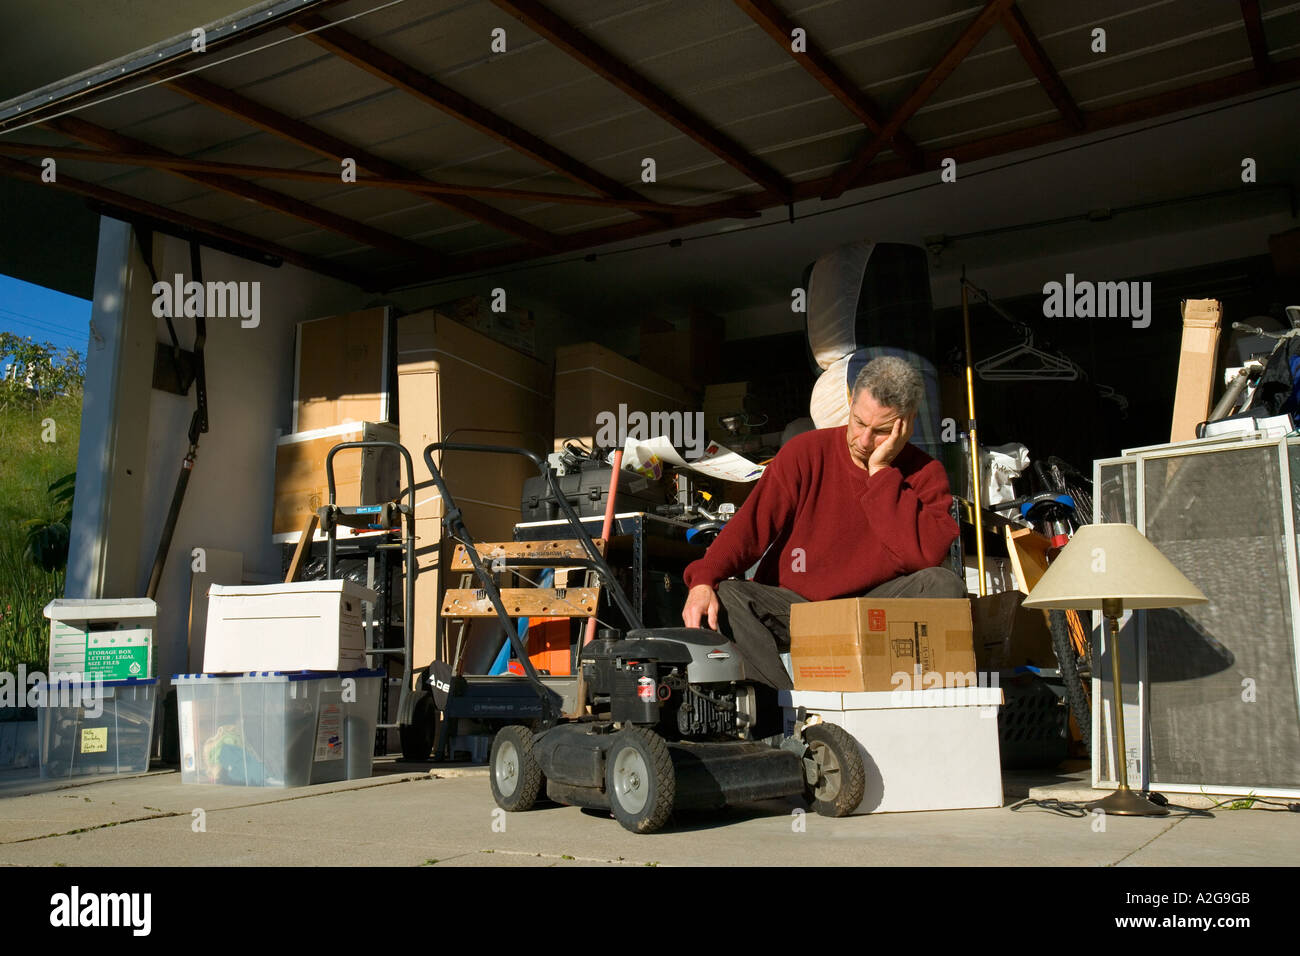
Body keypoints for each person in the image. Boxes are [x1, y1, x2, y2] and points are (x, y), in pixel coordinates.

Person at [681, 356, 965, 697]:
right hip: (797, 607)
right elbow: (750, 530)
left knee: (943, 584)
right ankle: (788, 711)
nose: (864, 440)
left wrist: (881, 473)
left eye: (882, 432)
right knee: (726, 594)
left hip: (874, 611)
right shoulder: (805, 452)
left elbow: (922, 558)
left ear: (907, 424)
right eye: (859, 422)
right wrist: (702, 581)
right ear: (850, 401)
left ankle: (900, 705)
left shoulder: (925, 473)